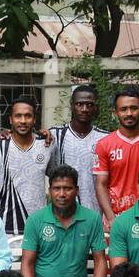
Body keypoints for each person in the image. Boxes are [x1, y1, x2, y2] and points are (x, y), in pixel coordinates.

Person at [21, 165, 109, 277]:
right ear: (50, 190)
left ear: (76, 190)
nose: (62, 194)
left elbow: (100, 260)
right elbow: (27, 263)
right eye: (57, 188)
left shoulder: (92, 219)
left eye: (67, 188)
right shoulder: (36, 219)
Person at [93, 84, 139, 228]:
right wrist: (110, 218)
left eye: (133, 108)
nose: (129, 113)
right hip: (116, 218)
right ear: (115, 112)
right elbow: (101, 184)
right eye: (123, 109)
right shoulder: (104, 144)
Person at [0, 96, 51, 238]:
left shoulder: (47, 145)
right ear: (10, 119)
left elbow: (57, 179)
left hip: (40, 226)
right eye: (18, 116)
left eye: (28, 116)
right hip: (6, 228)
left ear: (34, 119)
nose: (23, 121)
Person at [48, 84, 109, 214]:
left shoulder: (105, 139)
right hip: (62, 215)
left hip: (96, 216)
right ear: (71, 105)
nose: (84, 109)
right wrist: (7, 133)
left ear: (95, 107)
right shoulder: (55, 136)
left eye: (89, 105)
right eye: (79, 104)